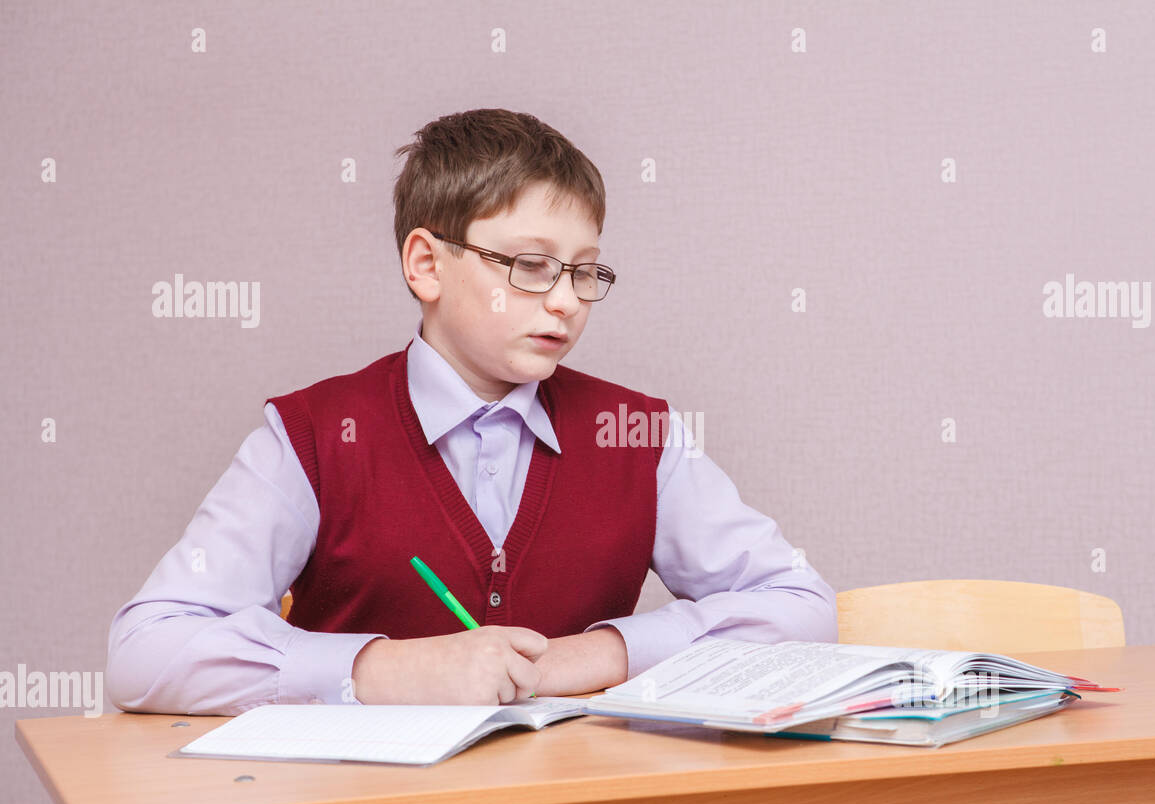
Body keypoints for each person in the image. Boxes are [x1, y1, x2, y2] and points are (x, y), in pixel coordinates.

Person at [106, 108, 837, 715]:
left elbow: (800, 603)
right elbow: (145, 650)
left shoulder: (635, 432)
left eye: (584, 271)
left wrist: (594, 655)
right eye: (529, 266)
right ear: (425, 265)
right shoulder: (314, 437)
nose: (565, 300)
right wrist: (382, 672)